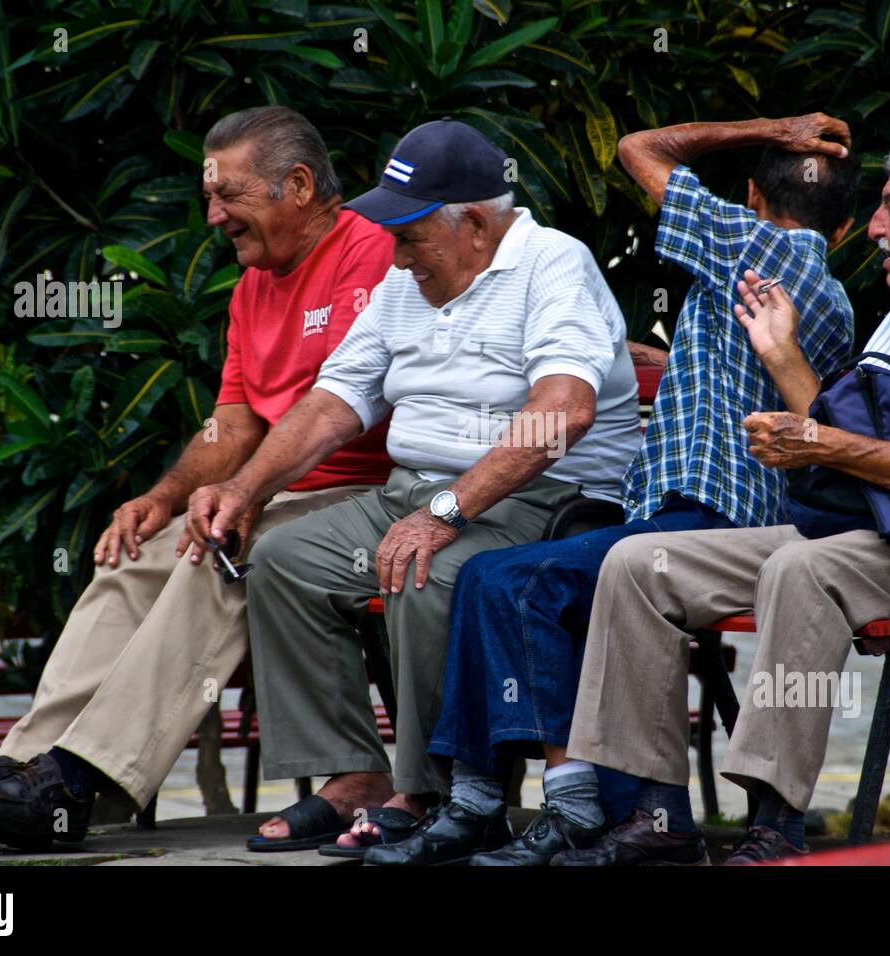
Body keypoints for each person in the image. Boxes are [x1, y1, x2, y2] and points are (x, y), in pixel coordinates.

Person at [559, 123, 890, 865]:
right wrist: (784, 355)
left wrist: (825, 444)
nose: (872, 226)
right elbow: (837, 432)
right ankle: (657, 815)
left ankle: (775, 827)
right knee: (640, 565)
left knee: (800, 571)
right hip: (871, 538)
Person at [364, 113, 860, 867]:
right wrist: (635, 352)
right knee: (508, 577)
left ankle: (535, 803)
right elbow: (730, 368)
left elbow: (639, 149)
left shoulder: (752, 247)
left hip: (698, 519)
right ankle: (511, 803)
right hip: (733, 519)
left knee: (505, 579)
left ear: (753, 196)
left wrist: (773, 127)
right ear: (849, 228)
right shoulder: (830, 295)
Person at [0, 106, 396, 848]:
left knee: (218, 553)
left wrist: (243, 495)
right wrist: (161, 498)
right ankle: (23, 765)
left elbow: (337, 410)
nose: (211, 216)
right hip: (280, 490)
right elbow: (232, 424)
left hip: (370, 493)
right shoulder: (251, 287)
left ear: (297, 185)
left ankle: (75, 781)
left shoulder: (375, 251)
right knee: (136, 554)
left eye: (227, 195)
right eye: (207, 196)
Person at [178, 118, 643, 854]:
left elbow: (563, 413)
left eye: (411, 235)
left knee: (424, 569)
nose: (395, 255)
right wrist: (245, 488)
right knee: (285, 561)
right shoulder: (406, 283)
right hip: (414, 488)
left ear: (478, 224)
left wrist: (447, 510)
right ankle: (352, 777)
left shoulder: (553, 264)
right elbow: (334, 403)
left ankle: (434, 790)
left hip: (547, 501)